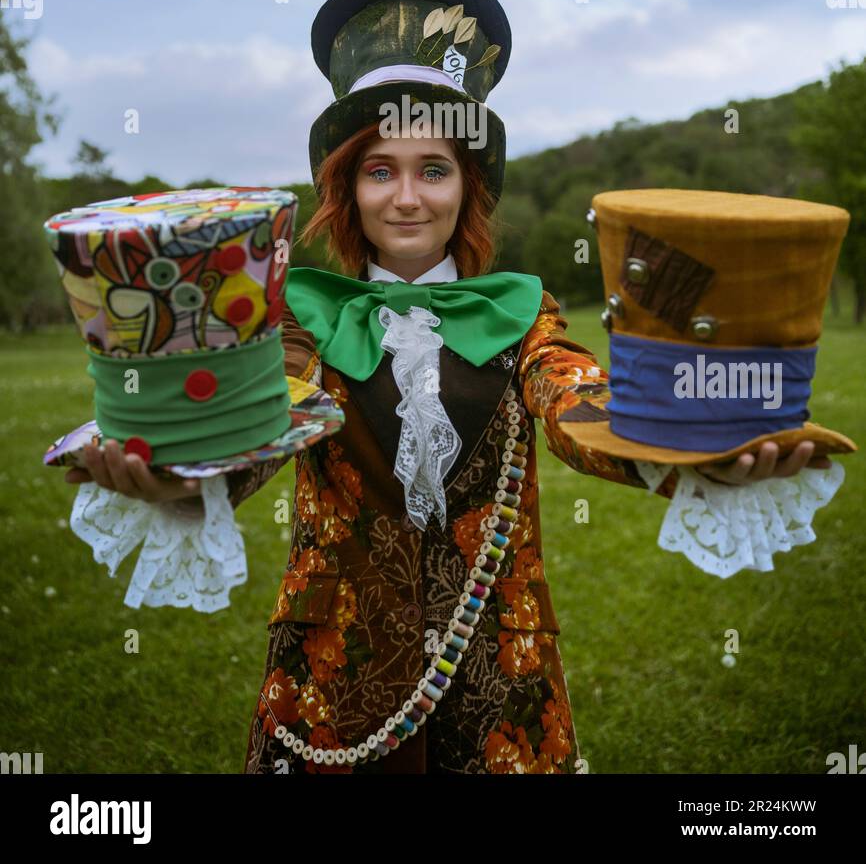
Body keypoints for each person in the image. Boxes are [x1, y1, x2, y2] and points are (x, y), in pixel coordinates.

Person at [64, 124, 829, 775]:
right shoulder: (298, 316)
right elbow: (266, 421)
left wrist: (685, 452)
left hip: (502, 677)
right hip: (330, 677)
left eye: (434, 170)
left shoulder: (523, 311)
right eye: (378, 172)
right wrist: (184, 478)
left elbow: (575, 403)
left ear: (467, 189)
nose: (406, 197)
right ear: (346, 190)